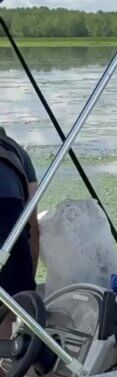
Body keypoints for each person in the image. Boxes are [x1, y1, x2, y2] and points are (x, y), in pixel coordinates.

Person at [0, 127, 40, 337]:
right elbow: (32, 227)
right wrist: (28, 285)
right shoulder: (17, 152)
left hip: (7, 228)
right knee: (7, 312)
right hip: (11, 236)